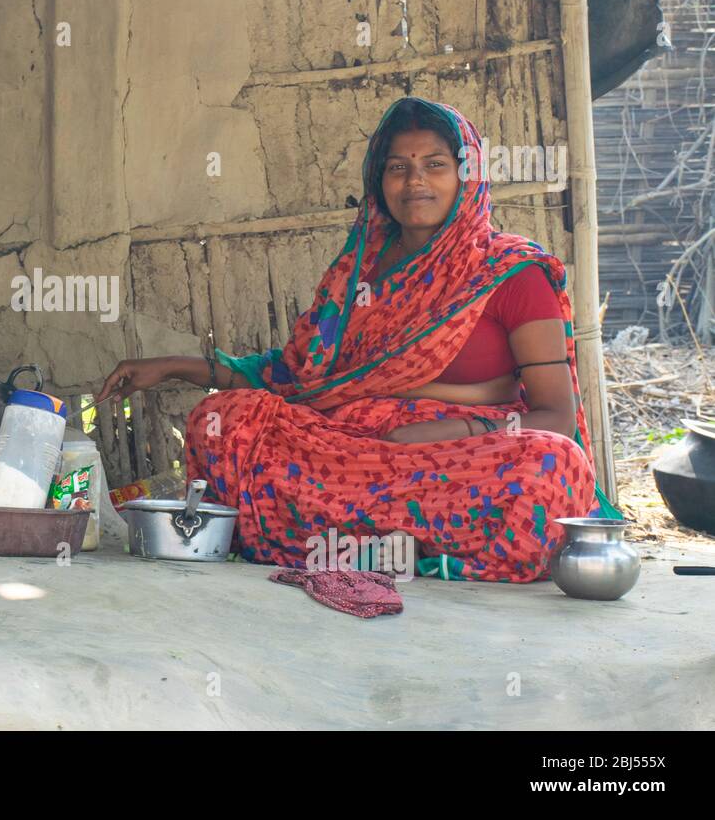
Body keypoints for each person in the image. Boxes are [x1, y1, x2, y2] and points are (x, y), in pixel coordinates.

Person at [96, 97, 620, 582]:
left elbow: (558, 418)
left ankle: (351, 542)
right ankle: (398, 544)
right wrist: (172, 366)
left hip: (460, 457)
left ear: (468, 176)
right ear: (379, 179)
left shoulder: (510, 273)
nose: (415, 181)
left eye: (435, 164)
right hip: (346, 451)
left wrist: (439, 433)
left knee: (553, 463)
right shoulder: (359, 276)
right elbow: (295, 376)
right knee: (226, 422)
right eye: (398, 167)